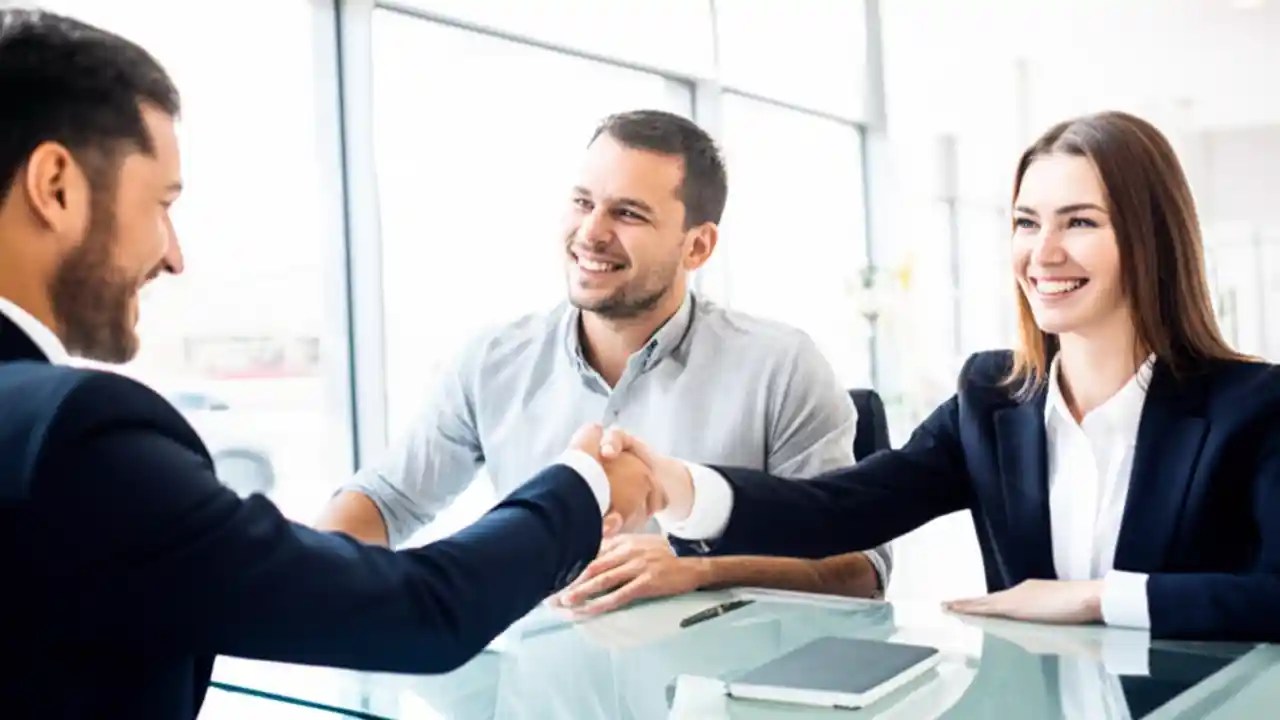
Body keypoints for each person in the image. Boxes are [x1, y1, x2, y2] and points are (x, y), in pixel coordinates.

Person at [0, 10, 657, 718]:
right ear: (56, 185)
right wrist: (585, 484)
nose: (174, 254)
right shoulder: (71, 435)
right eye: (161, 204)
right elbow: (420, 613)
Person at [594, 111, 1280, 641]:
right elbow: (840, 509)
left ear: (1151, 239)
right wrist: (677, 486)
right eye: (1025, 222)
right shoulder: (992, 401)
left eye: (1079, 222)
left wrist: (1099, 598)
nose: (1042, 252)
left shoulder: (1253, 407)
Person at [317, 110, 892, 612]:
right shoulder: (492, 362)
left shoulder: (781, 366)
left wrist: (699, 568)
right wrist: (308, 589)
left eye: (629, 214)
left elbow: (859, 570)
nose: (591, 233)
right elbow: (386, 501)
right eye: (583, 202)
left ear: (697, 246)